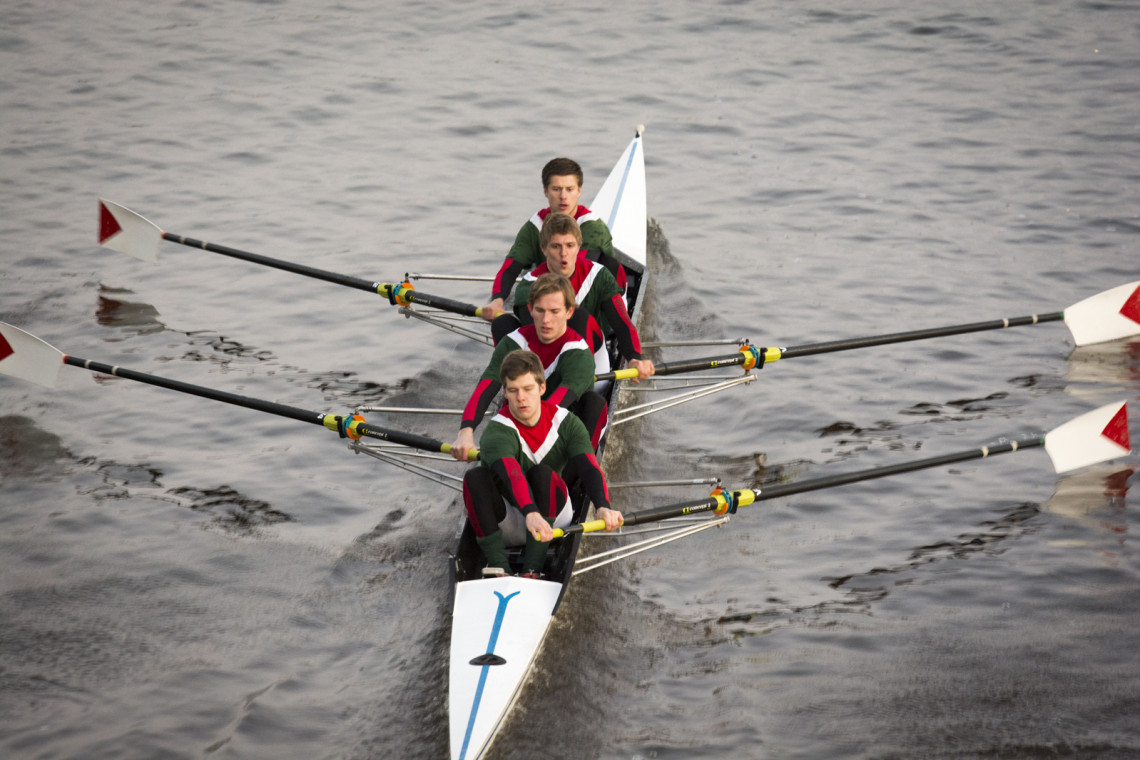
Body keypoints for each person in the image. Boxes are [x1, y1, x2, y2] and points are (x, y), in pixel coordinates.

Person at [462, 349, 622, 578]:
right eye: (513, 391)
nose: (521, 398)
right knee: (474, 478)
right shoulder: (497, 431)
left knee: (541, 474)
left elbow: (588, 466)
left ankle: (532, 569)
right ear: (504, 393)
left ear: (542, 388)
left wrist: (603, 506)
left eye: (528, 389)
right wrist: (530, 512)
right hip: (510, 521)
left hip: (554, 520)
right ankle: (498, 567)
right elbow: (512, 475)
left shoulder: (566, 422)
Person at [450, 273, 608, 460]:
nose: (546, 320)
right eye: (540, 310)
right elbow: (486, 386)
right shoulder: (514, 342)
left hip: (565, 426)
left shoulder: (578, 353)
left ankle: (579, 476)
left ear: (569, 312)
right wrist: (465, 432)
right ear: (530, 310)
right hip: (525, 414)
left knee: (595, 403)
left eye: (554, 311)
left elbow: (552, 407)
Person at [492, 212, 654, 381]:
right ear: (544, 249)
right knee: (501, 324)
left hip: (591, 365)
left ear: (579, 247)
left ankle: (573, 387)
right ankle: (516, 383)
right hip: (541, 366)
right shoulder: (529, 285)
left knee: (579, 317)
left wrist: (634, 358)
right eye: (556, 246)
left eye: (569, 245)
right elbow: (540, 338)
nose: (564, 253)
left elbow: (621, 322)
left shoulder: (598, 275)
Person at [479, 157, 624, 321]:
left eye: (569, 189)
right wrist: (497, 300)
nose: (563, 196)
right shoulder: (535, 227)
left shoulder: (592, 227)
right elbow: (511, 268)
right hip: (553, 296)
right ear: (545, 191)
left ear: (579, 191)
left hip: (591, 297)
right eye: (556, 189)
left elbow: (576, 275)